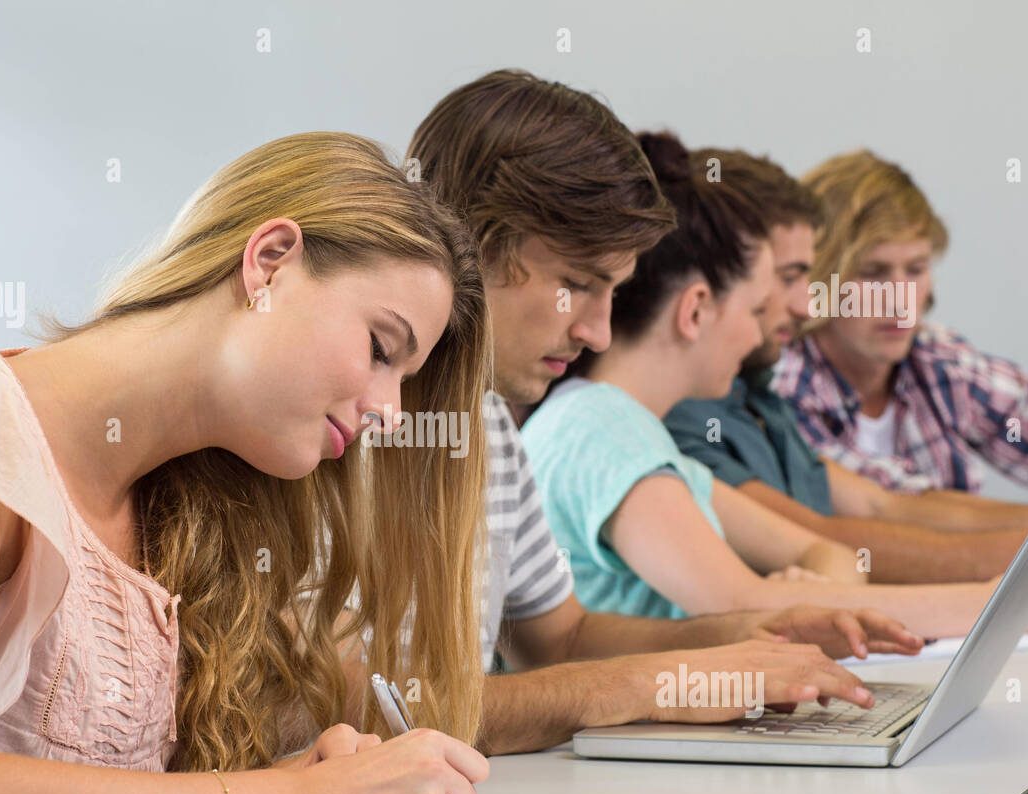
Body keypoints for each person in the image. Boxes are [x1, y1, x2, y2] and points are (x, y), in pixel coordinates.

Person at [0, 132, 492, 794]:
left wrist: (297, 783)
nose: (392, 411)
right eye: (382, 348)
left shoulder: (182, 496)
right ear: (270, 261)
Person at [387, 71, 927, 758]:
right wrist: (668, 681)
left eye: (611, 291)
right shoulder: (339, 423)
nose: (598, 333)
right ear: (469, 245)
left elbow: (561, 640)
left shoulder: (489, 423)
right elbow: (373, 708)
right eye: (577, 286)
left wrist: (757, 632)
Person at [520, 131, 1028, 638]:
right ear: (695, 311)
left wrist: (812, 591)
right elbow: (746, 605)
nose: (775, 322)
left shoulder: (646, 443)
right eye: (758, 307)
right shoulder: (600, 430)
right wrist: (1016, 603)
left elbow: (830, 562)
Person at [664, 149, 1028, 584]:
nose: (805, 304)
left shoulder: (757, 394)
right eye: (788, 277)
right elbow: (823, 539)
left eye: (916, 269)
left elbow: (884, 506)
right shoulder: (693, 410)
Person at [771, 150, 1028, 494]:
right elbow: (895, 515)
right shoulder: (784, 382)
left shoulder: (939, 360)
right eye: (872, 273)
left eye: (915, 270)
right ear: (817, 276)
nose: (900, 299)